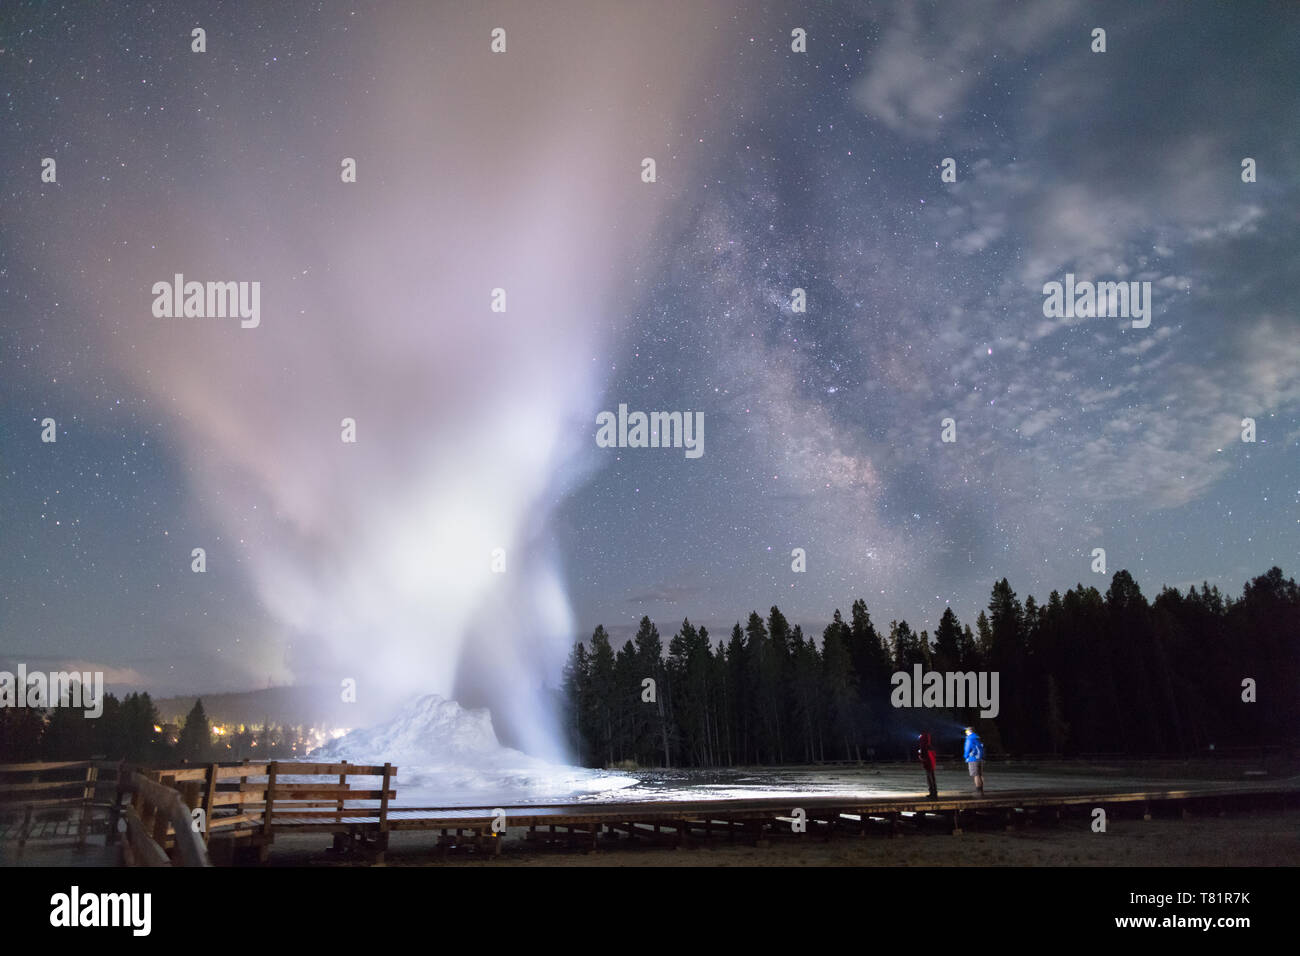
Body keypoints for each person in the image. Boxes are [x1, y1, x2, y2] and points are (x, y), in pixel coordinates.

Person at [963, 726, 985, 796]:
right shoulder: (978, 737)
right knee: (980, 774)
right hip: (980, 758)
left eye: (966, 731)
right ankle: (981, 790)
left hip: (973, 758)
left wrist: (965, 756)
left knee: (976, 775)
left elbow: (967, 748)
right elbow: (982, 747)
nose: (966, 733)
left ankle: (978, 791)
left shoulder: (969, 738)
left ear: (969, 731)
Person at [917, 731, 938, 799]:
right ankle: (934, 793)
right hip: (931, 764)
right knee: (932, 779)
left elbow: (923, 757)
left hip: (928, 764)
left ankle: (932, 793)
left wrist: (920, 755)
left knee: (930, 779)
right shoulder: (930, 746)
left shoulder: (924, 747)